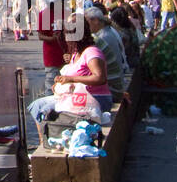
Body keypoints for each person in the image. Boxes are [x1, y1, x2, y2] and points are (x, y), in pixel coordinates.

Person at [25, 16, 112, 145]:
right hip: (77, 96)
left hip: (95, 99)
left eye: (67, 35)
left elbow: (100, 78)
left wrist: (70, 78)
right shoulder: (76, 53)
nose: (65, 39)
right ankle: (44, 141)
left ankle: (49, 142)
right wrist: (60, 84)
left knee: (45, 110)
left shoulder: (92, 52)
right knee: (36, 105)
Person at [85, 9, 129, 103]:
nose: (85, 25)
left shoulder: (102, 38)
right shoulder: (109, 31)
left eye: (86, 21)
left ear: (96, 20)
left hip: (112, 88)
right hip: (117, 81)